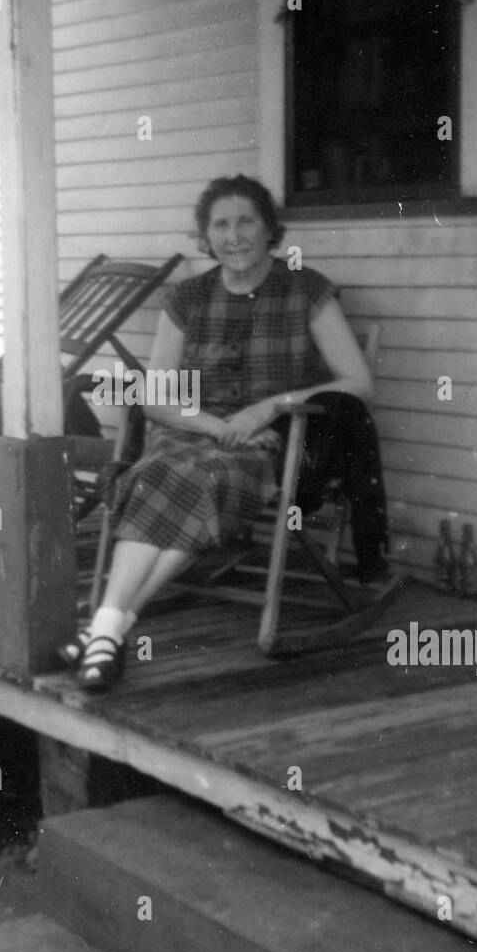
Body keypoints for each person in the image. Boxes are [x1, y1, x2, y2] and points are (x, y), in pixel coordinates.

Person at [61, 174, 385, 691]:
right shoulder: (187, 299)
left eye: (245, 222)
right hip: (190, 431)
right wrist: (216, 425)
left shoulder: (307, 289)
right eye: (220, 225)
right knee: (162, 471)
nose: (233, 236)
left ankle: (103, 627)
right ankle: (112, 628)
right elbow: (159, 397)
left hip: (268, 444)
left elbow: (358, 383)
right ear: (205, 236)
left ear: (269, 229)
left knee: (198, 475)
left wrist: (266, 410)